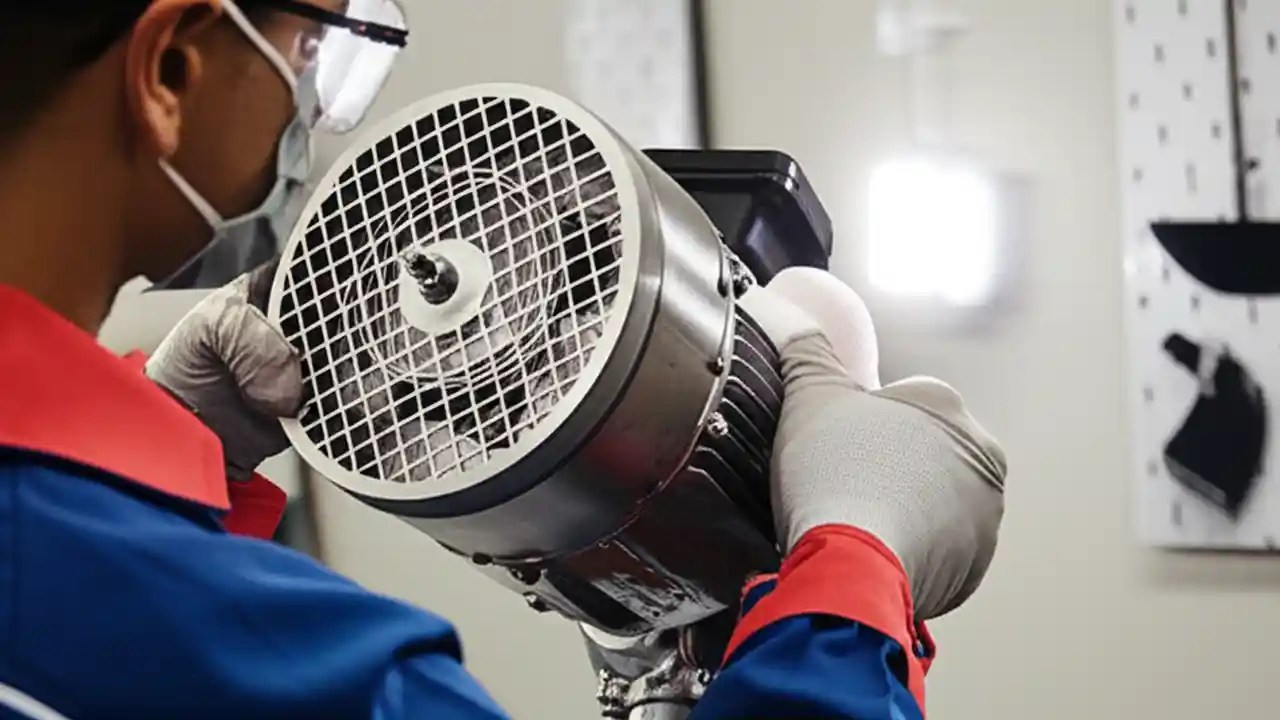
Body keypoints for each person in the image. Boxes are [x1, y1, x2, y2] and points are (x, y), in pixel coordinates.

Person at [0, 2, 1007, 718]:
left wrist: (159, 472)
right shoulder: (324, 684)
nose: (314, 111)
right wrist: (848, 580)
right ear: (169, 67)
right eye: (315, 47)